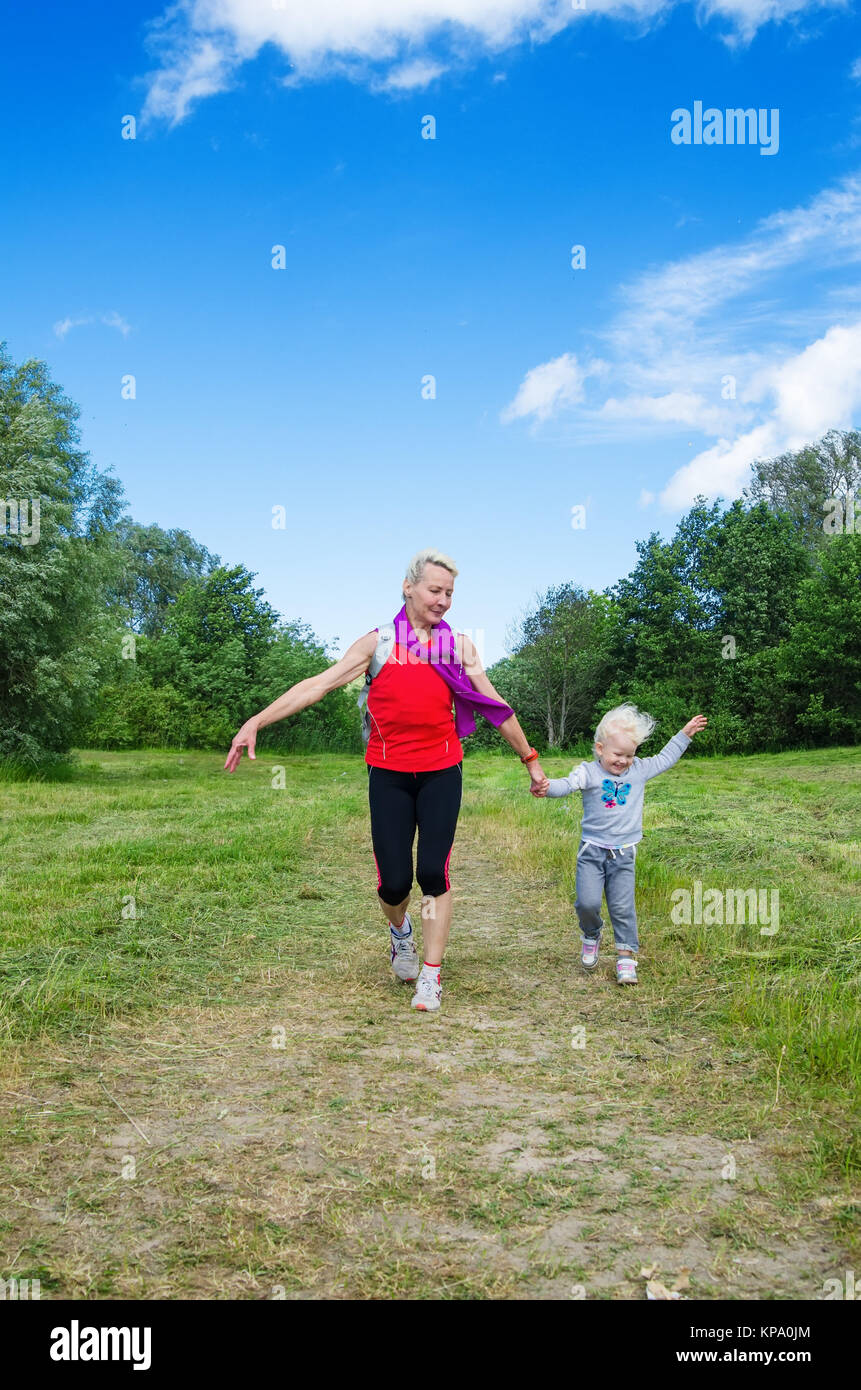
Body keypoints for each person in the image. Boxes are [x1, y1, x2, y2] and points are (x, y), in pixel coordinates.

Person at [224, 548, 549, 1012]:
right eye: (435, 590)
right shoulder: (377, 644)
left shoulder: (459, 648)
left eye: (450, 593)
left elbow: (496, 707)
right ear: (408, 587)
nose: (442, 601)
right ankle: (400, 934)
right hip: (389, 774)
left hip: (442, 771)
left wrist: (530, 760)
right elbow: (318, 685)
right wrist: (258, 720)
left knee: (433, 872)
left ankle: (432, 977)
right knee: (394, 883)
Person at [534, 704, 707, 984]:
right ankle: (592, 933)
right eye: (617, 754)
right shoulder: (588, 772)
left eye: (630, 755)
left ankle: (626, 956)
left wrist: (684, 735)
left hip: (624, 854)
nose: (624, 761)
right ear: (600, 749)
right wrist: (546, 787)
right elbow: (565, 784)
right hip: (592, 852)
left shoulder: (638, 770)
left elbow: (665, 758)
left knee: (623, 907)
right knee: (587, 903)